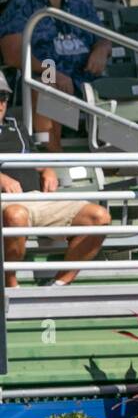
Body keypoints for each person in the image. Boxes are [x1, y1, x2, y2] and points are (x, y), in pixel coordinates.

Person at [0, 70, 110, 286]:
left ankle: (59, 285)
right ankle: (10, 285)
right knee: (16, 215)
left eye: (3, 97)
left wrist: (47, 169)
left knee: (99, 217)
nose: (0, 103)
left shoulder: (16, 125)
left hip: (35, 199)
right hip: (8, 205)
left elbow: (33, 158)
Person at [0, 0, 109, 152]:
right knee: (46, 85)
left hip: (85, 82)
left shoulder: (80, 1)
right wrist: (54, 72)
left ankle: (128, 165)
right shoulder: (22, 4)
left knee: (119, 90)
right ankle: (55, 158)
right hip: (46, 72)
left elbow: (103, 37)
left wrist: (101, 50)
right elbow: (12, 53)